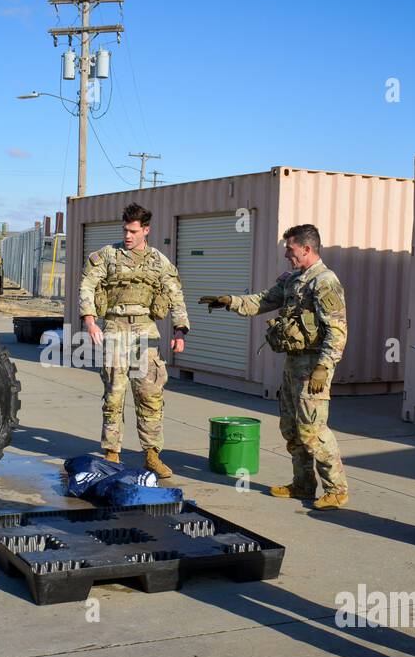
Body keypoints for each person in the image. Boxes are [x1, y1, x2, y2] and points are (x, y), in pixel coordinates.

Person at [199, 224, 348, 509]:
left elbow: (338, 330)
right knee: (292, 428)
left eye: (290, 249)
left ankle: (337, 489)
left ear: (307, 249)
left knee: (313, 430)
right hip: (293, 364)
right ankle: (303, 484)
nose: (286, 255)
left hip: (314, 367)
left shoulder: (325, 281)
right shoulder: (294, 280)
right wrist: (230, 301)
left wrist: (324, 367)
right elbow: (263, 301)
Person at [78, 203, 189, 479]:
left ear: (146, 231)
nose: (127, 235)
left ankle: (151, 454)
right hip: (115, 327)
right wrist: (90, 320)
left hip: (145, 332)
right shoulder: (108, 255)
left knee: (150, 395)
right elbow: (87, 285)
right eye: (125, 230)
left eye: (133, 231)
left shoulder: (158, 261)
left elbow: (175, 293)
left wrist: (179, 329)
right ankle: (112, 452)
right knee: (114, 394)